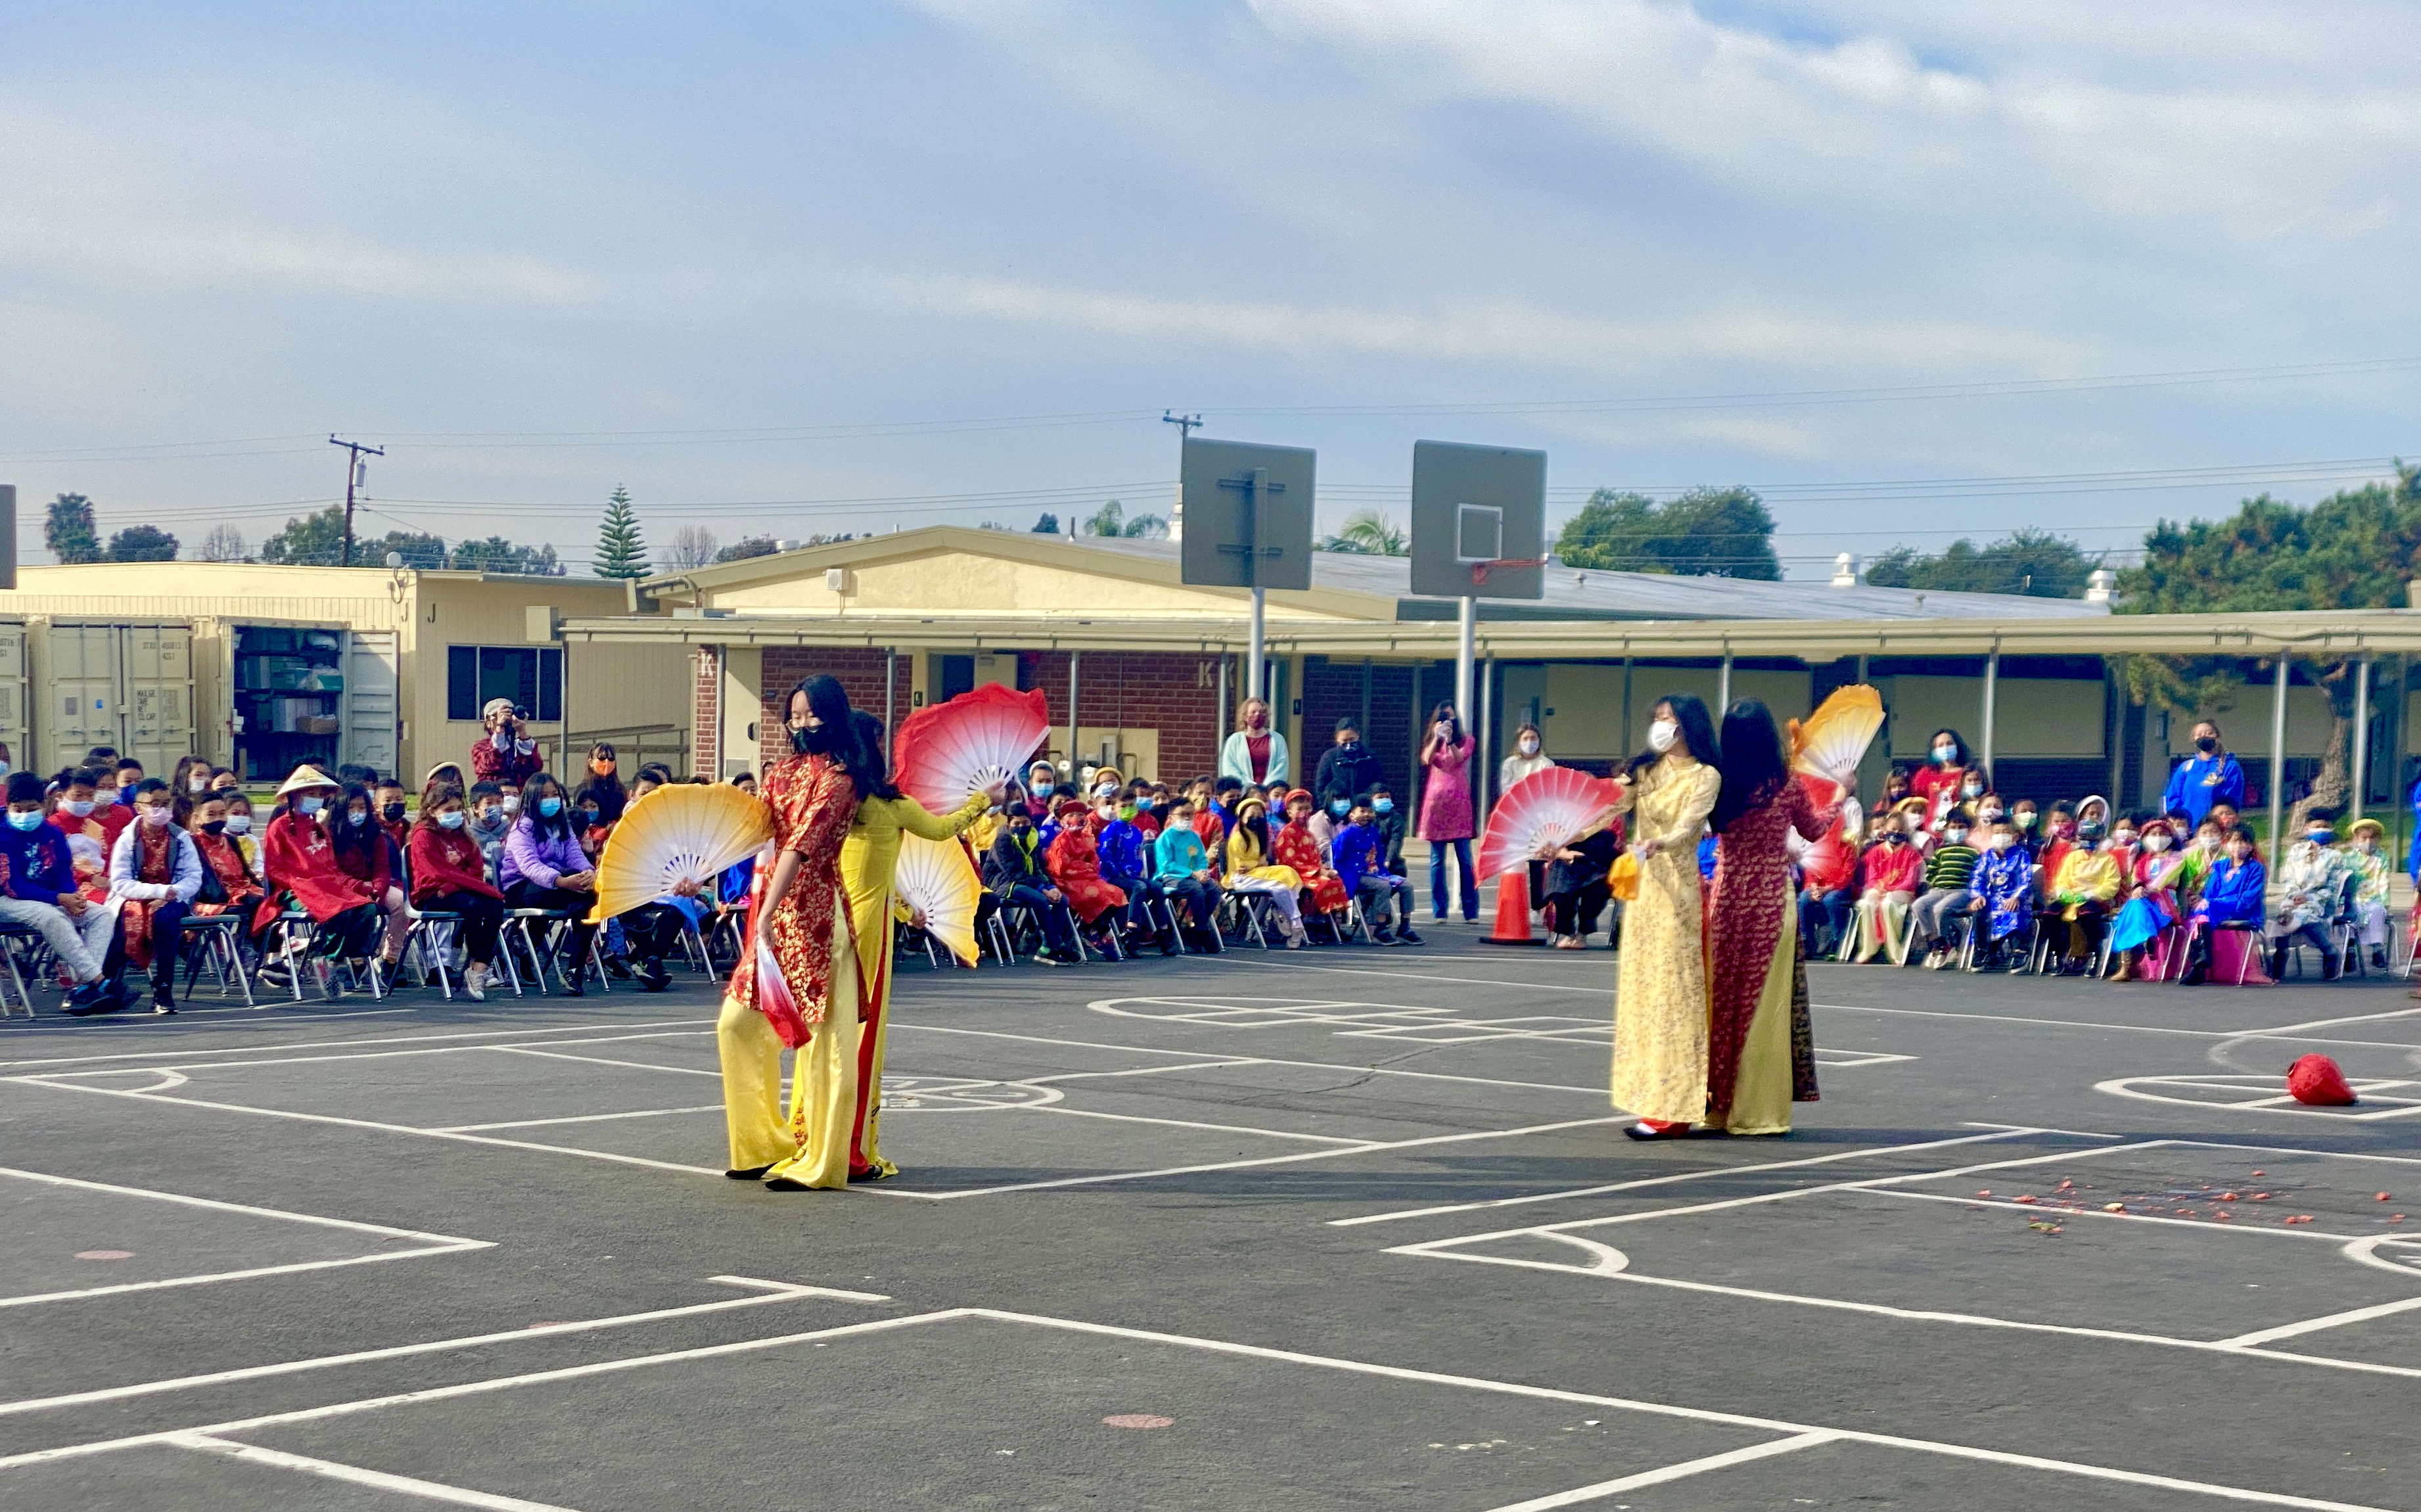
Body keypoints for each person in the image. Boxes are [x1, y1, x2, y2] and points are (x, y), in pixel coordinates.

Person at [718, 675, 868, 1190]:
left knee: (827, 1045)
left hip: (818, 918)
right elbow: (755, 832)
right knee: (736, 1024)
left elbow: (800, 848)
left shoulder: (843, 779)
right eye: (795, 716)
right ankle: (762, 1143)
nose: (802, 725)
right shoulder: (780, 773)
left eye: (812, 715)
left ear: (834, 716)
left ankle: (822, 1162)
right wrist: (704, 869)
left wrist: (767, 908)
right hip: (772, 915)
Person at [839, 709, 994, 1181]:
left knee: (826, 1036)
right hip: (870, 931)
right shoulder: (890, 804)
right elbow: (942, 830)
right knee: (865, 1037)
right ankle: (853, 1148)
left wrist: (906, 909)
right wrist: (980, 802)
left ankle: (813, 1137)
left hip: (830, 923)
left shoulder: (832, 803)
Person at [1703, 700, 1827, 1134]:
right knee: (1765, 1006)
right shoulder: (1785, 784)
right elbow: (1814, 830)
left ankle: (1716, 1103)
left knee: (1722, 1002)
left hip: (1728, 894)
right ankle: (1757, 1110)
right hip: (1772, 898)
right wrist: (1842, 794)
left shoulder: (1720, 784)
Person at [1607, 693, 1723, 1139]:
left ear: (1688, 725)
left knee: (1676, 996)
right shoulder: (1644, 772)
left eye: (1668, 719)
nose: (1660, 726)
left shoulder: (1706, 775)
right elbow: (1610, 808)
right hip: (1643, 895)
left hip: (1678, 892)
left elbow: (1688, 827)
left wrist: (1659, 842)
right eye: (1656, 718)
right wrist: (1563, 834)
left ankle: (1675, 1107)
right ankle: (1648, 1097)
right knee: (1643, 996)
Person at [252, 766, 387, 991]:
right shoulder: (280, 827)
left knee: (367, 909)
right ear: (295, 795)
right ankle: (327, 959)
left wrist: (355, 886)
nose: (316, 799)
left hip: (326, 887)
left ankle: (338, 958)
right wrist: (302, 884)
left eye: (319, 795)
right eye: (311, 794)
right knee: (338, 912)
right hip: (292, 891)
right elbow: (274, 870)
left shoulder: (320, 829)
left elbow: (332, 870)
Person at [0, 772, 118, 1013]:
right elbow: (14, 886)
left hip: (48, 897)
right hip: (6, 900)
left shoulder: (52, 833)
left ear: (44, 806)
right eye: (17, 809)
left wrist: (72, 898)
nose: (24, 815)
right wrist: (59, 899)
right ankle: (98, 981)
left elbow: (63, 873)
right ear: (8, 806)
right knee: (52, 916)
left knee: (102, 915)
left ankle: (84, 988)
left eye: (31, 808)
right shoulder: (2, 834)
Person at [103, 779, 204, 1014]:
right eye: (155, 804)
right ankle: (108, 983)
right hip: (135, 897)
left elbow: (192, 877)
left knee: (165, 920)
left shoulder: (181, 837)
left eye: (166, 803)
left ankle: (163, 989)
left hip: (173, 898)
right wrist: (158, 891)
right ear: (139, 807)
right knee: (127, 920)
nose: (161, 810)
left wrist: (172, 893)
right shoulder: (128, 838)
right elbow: (120, 882)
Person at [408, 784, 505, 1001]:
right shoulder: (423, 835)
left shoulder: (463, 835)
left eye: (458, 809)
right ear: (433, 811)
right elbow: (434, 871)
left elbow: (475, 867)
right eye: (448, 810)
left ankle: (478, 968)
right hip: (431, 893)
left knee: (495, 904)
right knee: (472, 906)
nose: (455, 814)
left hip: (454, 889)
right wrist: (457, 885)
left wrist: (455, 886)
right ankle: (473, 965)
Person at [983, 806, 1083, 965]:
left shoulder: (1032, 838)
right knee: (1039, 899)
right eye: (1017, 823)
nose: (1022, 826)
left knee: (1062, 900)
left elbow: (1039, 868)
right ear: (1009, 824)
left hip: (1026, 881)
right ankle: (1057, 945)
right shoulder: (1003, 839)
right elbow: (1012, 872)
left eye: (1025, 822)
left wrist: (1051, 887)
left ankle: (1045, 949)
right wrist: (1041, 889)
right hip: (1003, 882)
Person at [2266, 811, 2349, 980]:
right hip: (2294, 898)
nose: (2321, 830)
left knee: (2303, 915)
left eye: (2325, 827)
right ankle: (2282, 952)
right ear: (2307, 829)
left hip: (2320, 902)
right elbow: (2288, 877)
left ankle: (2330, 952)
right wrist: (2295, 894)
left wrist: (2309, 898)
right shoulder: (2296, 851)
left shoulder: (2336, 857)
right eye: (2317, 827)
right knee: (2285, 916)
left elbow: (2333, 887)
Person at [1418, 702, 1479, 923]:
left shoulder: (1466, 740)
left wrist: (1450, 740)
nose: (1448, 722)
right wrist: (1437, 738)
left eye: (1451, 719)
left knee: (1465, 859)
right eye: (1444, 718)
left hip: (1459, 803)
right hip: (1437, 804)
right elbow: (1426, 759)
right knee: (1437, 860)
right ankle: (1439, 911)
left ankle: (1470, 911)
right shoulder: (1431, 743)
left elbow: (1460, 758)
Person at [2185, 829, 2269, 985]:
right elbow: (2210, 893)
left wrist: (2221, 904)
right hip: (2215, 909)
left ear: (2251, 846)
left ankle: (2201, 960)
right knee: (2202, 909)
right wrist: (2209, 902)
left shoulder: (2256, 868)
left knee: (2205, 909)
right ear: (2227, 844)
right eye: (2234, 841)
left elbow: (2249, 898)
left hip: (2243, 910)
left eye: (2243, 841)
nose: (2238, 845)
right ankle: (2201, 961)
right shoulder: (2220, 866)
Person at [2106, 818, 2186, 981]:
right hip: (2143, 902)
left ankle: (2127, 965)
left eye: (2163, 834)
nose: (2158, 838)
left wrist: (2146, 890)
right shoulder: (2142, 861)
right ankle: (2143, 941)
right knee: (2134, 907)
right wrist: (2137, 888)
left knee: (2131, 910)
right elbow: (2134, 880)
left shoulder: (2177, 858)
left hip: (2164, 904)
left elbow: (2164, 879)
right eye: (2153, 834)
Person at [1044, 797, 1128, 950]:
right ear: (1062, 820)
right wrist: (1085, 868)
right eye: (1071, 815)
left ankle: (1094, 928)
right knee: (1095, 894)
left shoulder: (1088, 838)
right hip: (1067, 882)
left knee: (1117, 893)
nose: (1076, 818)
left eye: (1080, 814)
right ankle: (1094, 930)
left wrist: (1087, 869)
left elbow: (1094, 862)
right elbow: (1061, 868)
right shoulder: (1061, 841)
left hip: (1088, 878)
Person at [1224, 796, 1307, 947]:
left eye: (1260, 816)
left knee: (1283, 883)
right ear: (1242, 817)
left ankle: (1293, 921)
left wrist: (1258, 864)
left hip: (1255, 874)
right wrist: (1258, 864)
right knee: (1283, 878)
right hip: (1241, 879)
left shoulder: (1257, 836)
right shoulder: (1238, 837)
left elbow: (1263, 862)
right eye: (1251, 816)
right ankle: (1292, 920)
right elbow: (1241, 867)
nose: (1256, 819)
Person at [1096, 789, 1172, 953]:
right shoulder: (1110, 831)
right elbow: (1105, 856)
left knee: (1157, 888)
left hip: (1133, 876)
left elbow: (1137, 857)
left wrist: (1135, 873)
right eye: (1123, 806)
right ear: (1114, 808)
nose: (1128, 809)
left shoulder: (1136, 831)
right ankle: (1131, 931)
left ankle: (1163, 930)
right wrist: (1120, 873)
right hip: (1112, 876)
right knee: (1140, 887)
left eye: (1132, 806)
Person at [1334, 799, 1418, 945]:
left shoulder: (1373, 832)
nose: (1366, 814)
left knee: (1407, 886)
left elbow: (1378, 855)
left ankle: (1405, 927)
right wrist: (1345, 876)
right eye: (1362, 811)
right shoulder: (1346, 835)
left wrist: (1383, 868)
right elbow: (1337, 859)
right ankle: (1380, 928)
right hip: (1355, 875)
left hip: (1376, 872)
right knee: (1383, 886)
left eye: (1369, 811)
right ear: (1352, 815)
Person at [2046, 819, 2122, 974]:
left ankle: (2093, 952)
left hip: (2096, 898)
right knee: (2050, 914)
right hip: (2071, 897)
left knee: (2086, 915)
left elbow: (2111, 885)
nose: (2088, 842)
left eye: (2093, 839)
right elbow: (2063, 879)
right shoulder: (2072, 857)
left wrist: (2089, 894)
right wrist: (2063, 891)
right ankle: (2057, 952)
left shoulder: (2108, 860)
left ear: (2100, 839)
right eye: (2085, 838)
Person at [1848, 813, 1923, 963]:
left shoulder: (1911, 853)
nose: (1897, 832)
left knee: (1888, 904)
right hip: (1880, 889)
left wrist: (1890, 890)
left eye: (1901, 830)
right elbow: (1872, 877)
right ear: (1885, 829)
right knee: (1867, 903)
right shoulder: (1876, 852)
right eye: (1893, 829)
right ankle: (1868, 948)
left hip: (1903, 893)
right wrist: (1879, 888)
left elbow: (1910, 881)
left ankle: (1895, 950)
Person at [1151, 799, 1224, 950]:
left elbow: (1201, 859)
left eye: (1190, 814)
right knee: (1196, 889)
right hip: (1169, 877)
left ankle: (1197, 926)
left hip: (1193, 876)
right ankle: (1202, 931)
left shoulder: (1193, 836)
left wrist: (1203, 872)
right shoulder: (1165, 838)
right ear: (1171, 816)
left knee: (1214, 889)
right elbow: (1167, 865)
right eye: (1182, 814)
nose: (1187, 818)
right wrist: (1193, 873)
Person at [1909, 815, 1981, 967]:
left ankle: (1948, 942)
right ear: (1947, 830)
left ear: (1968, 830)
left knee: (1939, 909)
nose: (1957, 831)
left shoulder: (1973, 852)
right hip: (1939, 890)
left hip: (1961, 892)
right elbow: (1932, 872)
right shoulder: (1941, 851)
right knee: (1919, 905)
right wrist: (1936, 884)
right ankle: (1937, 943)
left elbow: (1978, 874)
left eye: (1961, 828)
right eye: (1953, 828)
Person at [1274, 788, 1349, 932]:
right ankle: (1311, 924)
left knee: (1336, 881)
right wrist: (1318, 871)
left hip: (1311, 871)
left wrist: (1325, 869)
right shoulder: (1287, 833)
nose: (1304, 812)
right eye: (1299, 809)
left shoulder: (1308, 834)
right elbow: (1290, 862)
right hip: (1294, 874)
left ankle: (1331, 926)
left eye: (1307, 808)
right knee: (1321, 885)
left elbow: (1316, 858)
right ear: (1289, 812)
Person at [1541, 820, 1618, 950]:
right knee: (1561, 894)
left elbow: (1615, 840)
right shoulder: (1558, 814)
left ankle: (1583, 933)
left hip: (1598, 856)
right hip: (1566, 860)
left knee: (1596, 891)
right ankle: (1568, 932)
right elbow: (1547, 843)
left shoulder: (1607, 813)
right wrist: (1563, 853)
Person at [1969, 819, 2035, 971]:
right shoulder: (1987, 857)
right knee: (1981, 911)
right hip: (1993, 898)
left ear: (2014, 836)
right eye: (1997, 833)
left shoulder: (2021, 855)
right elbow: (1978, 877)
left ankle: (2020, 950)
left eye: (2005, 832)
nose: (2001, 836)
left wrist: (2016, 896)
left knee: (2013, 912)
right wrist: (1978, 896)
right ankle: (1983, 951)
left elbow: (2026, 878)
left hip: (2016, 898)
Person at [2162, 720, 2247, 830]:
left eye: (2209, 733)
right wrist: (2179, 822)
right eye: (2199, 734)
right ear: (2194, 739)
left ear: (2217, 736)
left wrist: (2216, 824)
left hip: (2214, 830)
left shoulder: (2230, 767)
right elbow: (2173, 796)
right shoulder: (2187, 767)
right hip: (2187, 828)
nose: (2204, 736)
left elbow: (2231, 801)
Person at [2345, 818, 2392, 971]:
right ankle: (2350, 951)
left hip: (2373, 896)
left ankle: (2377, 950)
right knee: (2352, 911)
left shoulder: (2382, 858)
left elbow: (2384, 880)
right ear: (2356, 839)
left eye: (2372, 838)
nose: (2368, 841)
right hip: (2353, 897)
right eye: (2364, 838)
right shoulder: (2348, 858)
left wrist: (2385, 901)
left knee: (2377, 911)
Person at [1314, 717, 1384, 813]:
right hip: (1339, 809)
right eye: (1345, 741)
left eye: (1352, 739)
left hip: (1364, 809)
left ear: (1358, 735)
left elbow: (1379, 782)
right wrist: (1327, 808)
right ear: (1337, 740)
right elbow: (1321, 786)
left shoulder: (1370, 756)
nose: (1349, 744)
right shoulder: (1330, 757)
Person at [1908, 729, 1974, 829]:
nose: (1946, 748)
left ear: (1958, 746)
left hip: (1960, 828)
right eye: (1940, 745)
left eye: (1949, 744)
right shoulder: (1926, 774)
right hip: (1932, 830)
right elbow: (1916, 801)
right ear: (1934, 751)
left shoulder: (1968, 773)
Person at [472, 698, 543, 787]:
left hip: (518, 797)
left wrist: (522, 732)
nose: (505, 719)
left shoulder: (520, 745)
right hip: (494, 797)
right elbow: (489, 764)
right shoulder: (480, 746)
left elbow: (535, 768)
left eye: (508, 715)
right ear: (488, 723)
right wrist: (499, 729)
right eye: (498, 716)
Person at [1220, 698, 1289, 787]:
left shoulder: (1278, 739)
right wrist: (1250, 787)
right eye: (1253, 712)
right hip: (1242, 793)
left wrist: (1266, 788)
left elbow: (1282, 766)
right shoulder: (1234, 740)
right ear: (1245, 716)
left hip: (1269, 793)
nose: (1258, 715)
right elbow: (1229, 767)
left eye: (1261, 712)